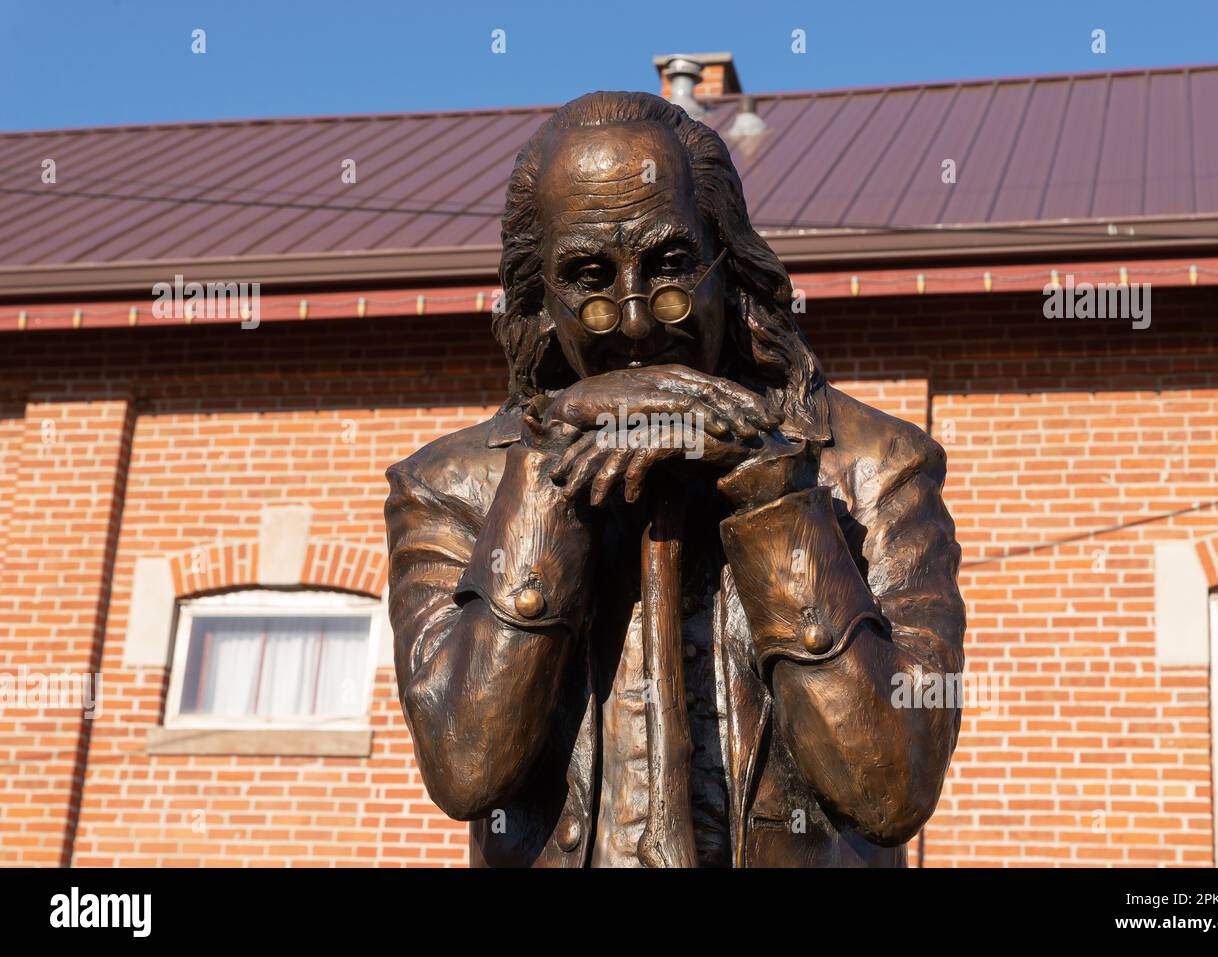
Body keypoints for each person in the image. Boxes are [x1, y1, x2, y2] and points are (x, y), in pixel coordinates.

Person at [385, 91, 965, 867]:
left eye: (668, 267)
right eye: (588, 280)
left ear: (728, 261)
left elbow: (891, 786)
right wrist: (551, 486)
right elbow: (466, 766)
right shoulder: (452, 484)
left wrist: (775, 495)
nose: (633, 324)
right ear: (538, 298)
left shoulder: (872, 467)